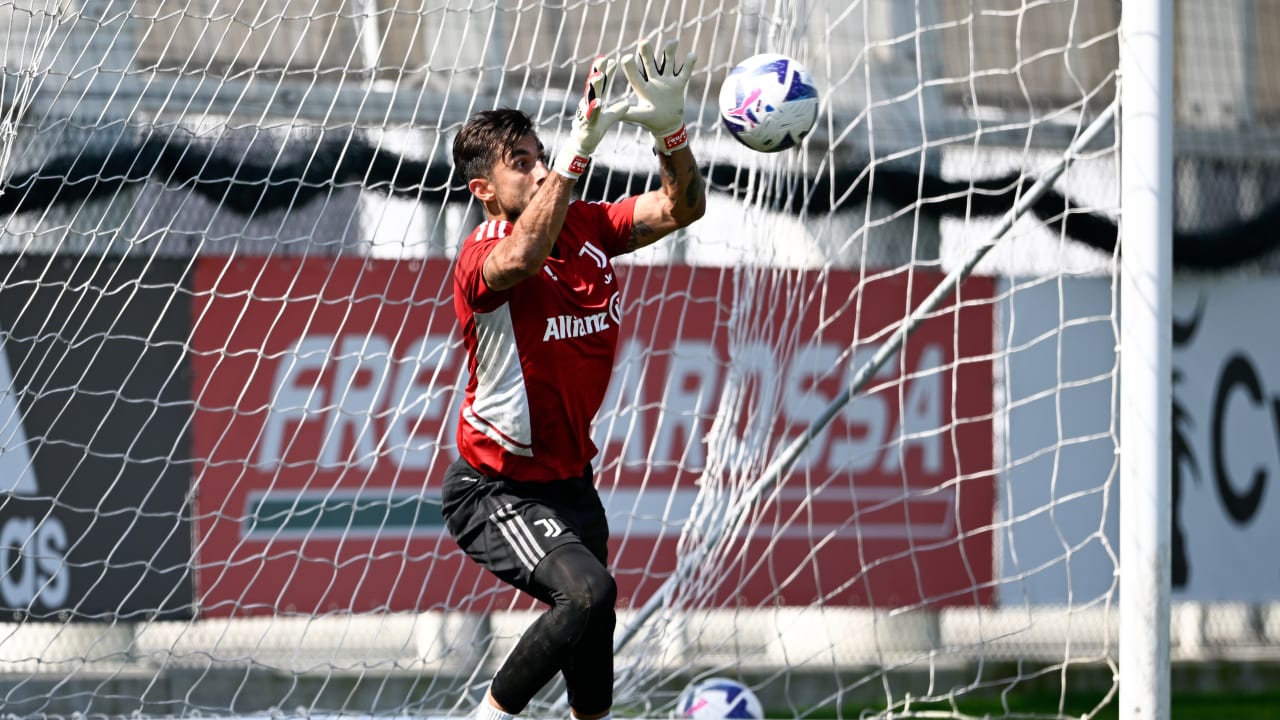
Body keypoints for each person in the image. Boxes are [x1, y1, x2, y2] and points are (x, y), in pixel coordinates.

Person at [442, 39, 705, 720]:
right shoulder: (480, 259)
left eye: (538, 157)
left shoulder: (587, 226)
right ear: (484, 191)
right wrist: (577, 153)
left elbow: (683, 208)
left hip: (570, 482)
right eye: (519, 165)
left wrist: (670, 134)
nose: (535, 172)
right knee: (587, 593)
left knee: (595, 636)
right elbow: (522, 257)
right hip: (497, 488)